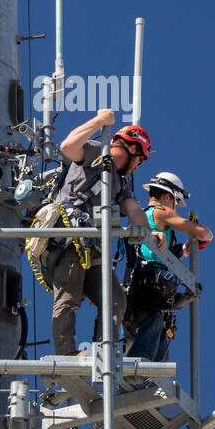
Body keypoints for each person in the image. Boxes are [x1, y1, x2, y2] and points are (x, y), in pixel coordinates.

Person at [44, 110, 166, 355]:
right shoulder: (97, 152)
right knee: (69, 295)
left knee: (115, 299)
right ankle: (65, 355)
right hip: (68, 237)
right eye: (140, 159)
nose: (139, 165)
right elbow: (68, 146)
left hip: (92, 246)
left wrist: (151, 234)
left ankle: (104, 352)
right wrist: (100, 122)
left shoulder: (121, 183)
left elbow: (133, 211)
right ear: (132, 150)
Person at [124, 171, 212, 363]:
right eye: (175, 202)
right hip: (152, 289)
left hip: (138, 288)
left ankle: (144, 379)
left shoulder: (142, 218)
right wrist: (204, 234)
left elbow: (162, 255)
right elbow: (203, 233)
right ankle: (139, 374)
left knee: (155, 333)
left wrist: (186, 250)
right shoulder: (161, 211)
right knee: (151, 339)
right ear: (166, 196)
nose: (175, 208)